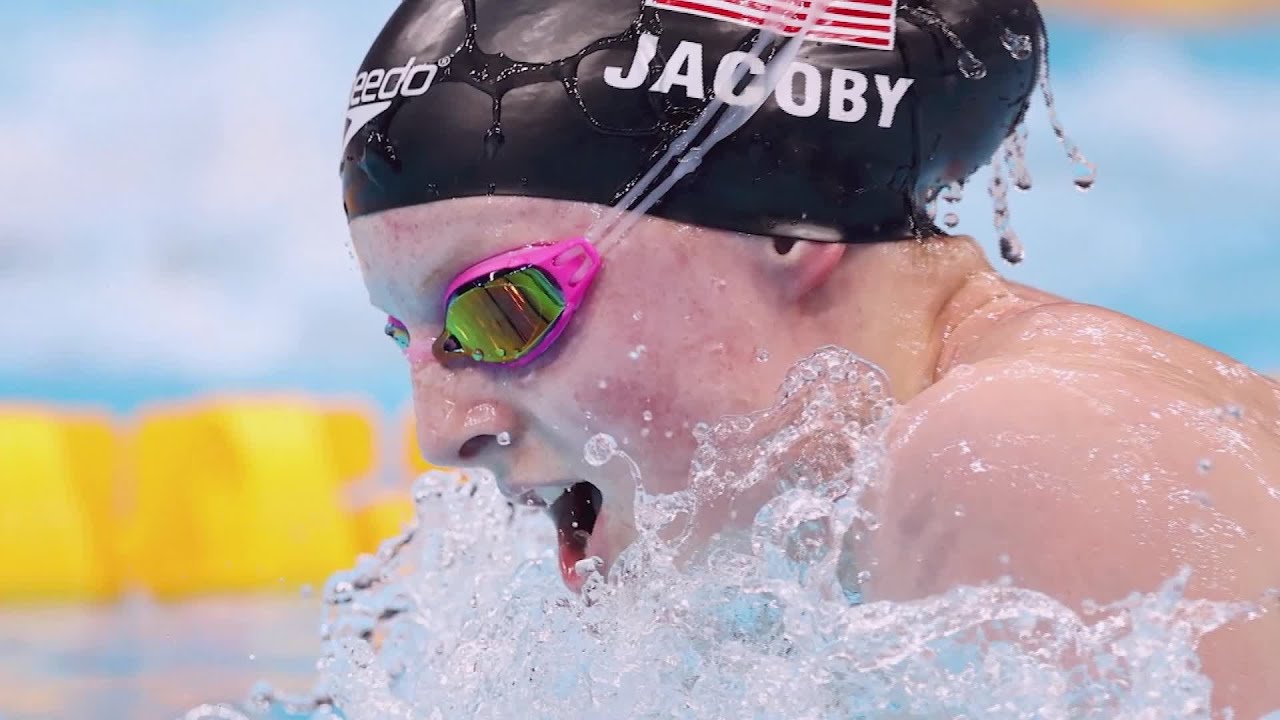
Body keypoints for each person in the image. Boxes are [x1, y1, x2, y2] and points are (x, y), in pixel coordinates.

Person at [340, 0, 1280, 714]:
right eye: (403, 337)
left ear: (784, 230)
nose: (441, 435)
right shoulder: (864, 490)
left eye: (504, 310)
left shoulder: (1025, 448)